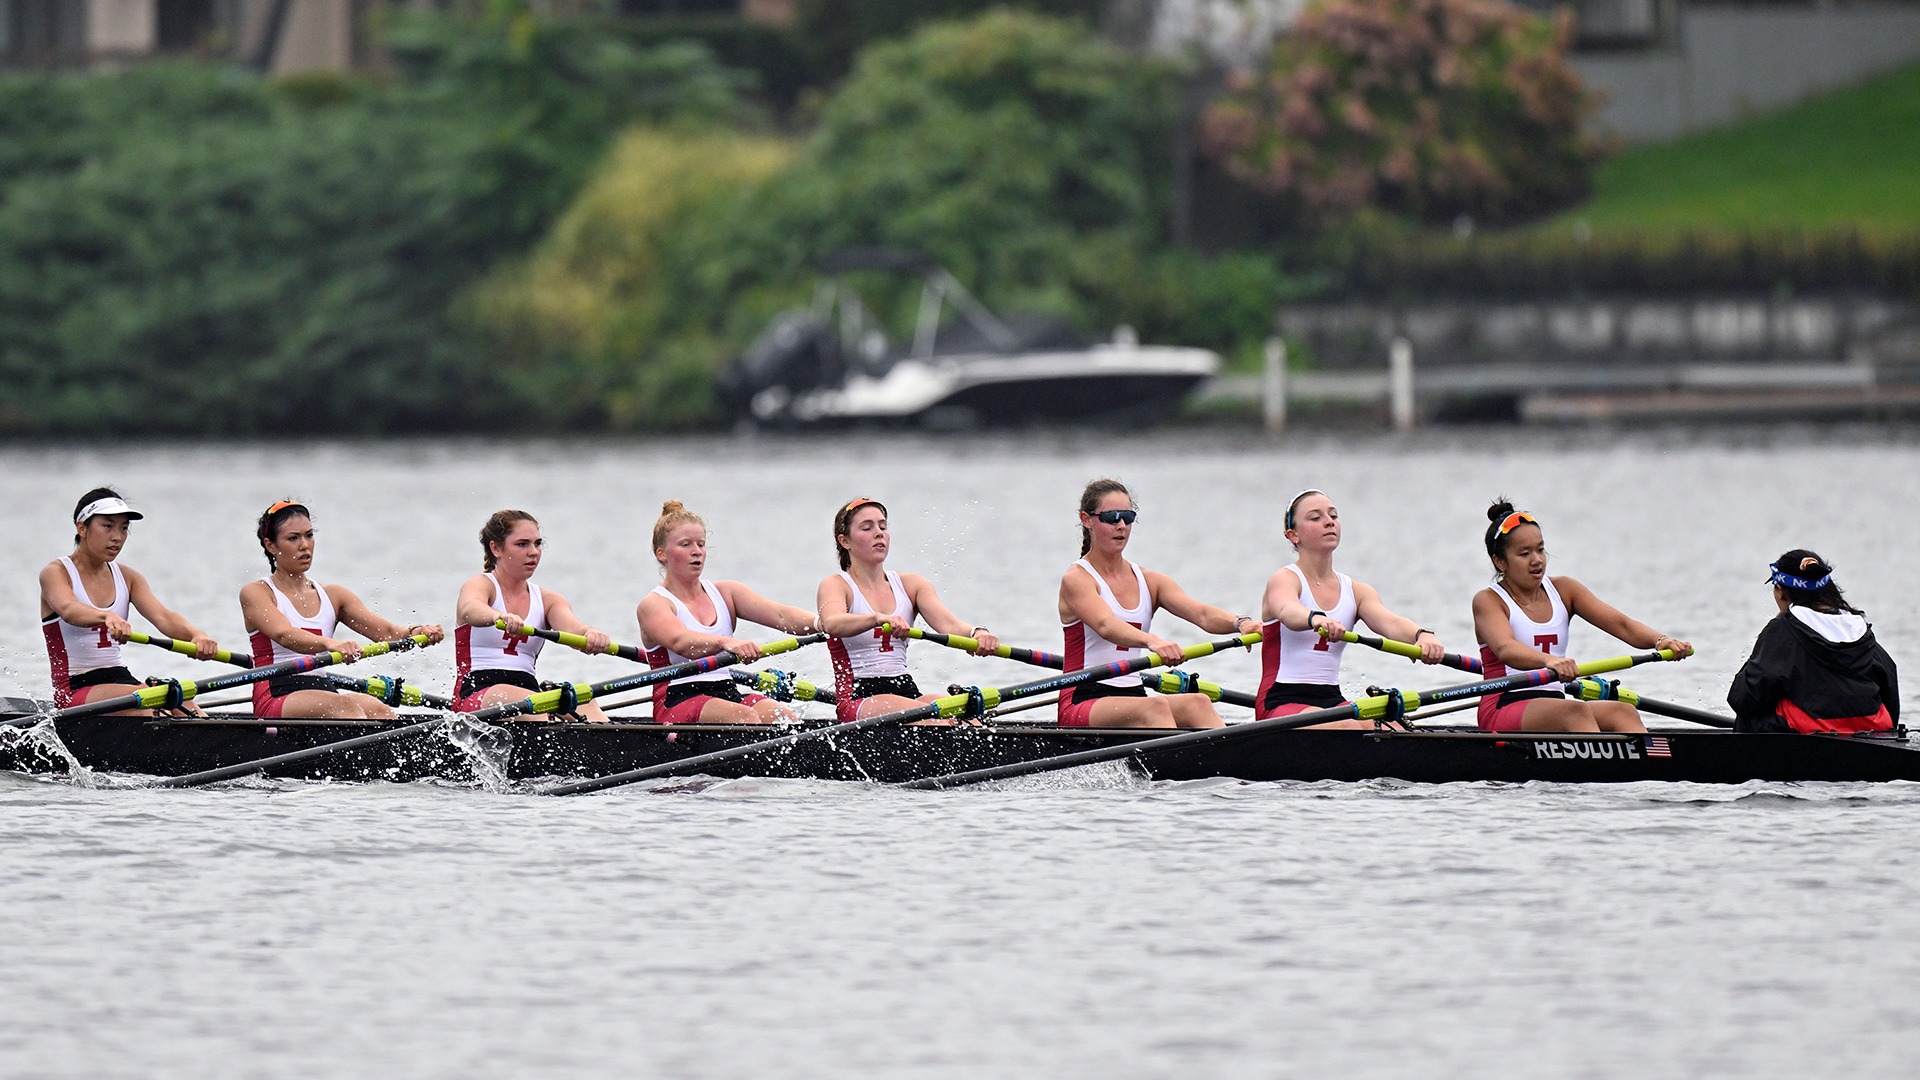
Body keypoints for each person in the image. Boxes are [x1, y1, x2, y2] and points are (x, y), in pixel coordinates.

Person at [1471, 499, 1692, 733]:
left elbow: (1623, 625)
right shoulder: (1489, 600)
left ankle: (1654, 769)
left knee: (1622, 711)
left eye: (1540, 549)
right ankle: (1598, 768)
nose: (1537, 560)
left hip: (1553, 705)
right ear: (1500, 562)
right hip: (1504, 704)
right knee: (1576, 711)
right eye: (1524, 554)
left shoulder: (1565, 590)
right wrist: (1549, 661)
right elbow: (1506, 648)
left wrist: (1661, 641)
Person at [1056, 479, 1257, 729]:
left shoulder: (1150, 581)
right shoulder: (1077, 579)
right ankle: (1180, 766)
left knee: (1199, 702)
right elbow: (1106, 625)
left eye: (1128, 517)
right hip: (1083, 699)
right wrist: (1153, 641)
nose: (1121, 526)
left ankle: (1230, 766)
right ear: (1087, 519)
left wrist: (1241, 623)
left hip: (1133, 697)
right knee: (1156, 706)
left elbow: (1203, 615)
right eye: (1111, 517)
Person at [1256, 489, 1449, 727]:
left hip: (1331, 700)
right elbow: (1287, 610)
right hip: (1279, 701)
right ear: (1293, 535)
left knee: (1393, 727)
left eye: (1333, 516)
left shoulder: (1356, 590)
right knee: (1347, 727)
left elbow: (1390, 622)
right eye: (1316, 518)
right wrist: (1316, 619)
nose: (1329, 522)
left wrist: (1422, 635)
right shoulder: (1284, 579)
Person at [239, 500, 444, 720]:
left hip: (322, 690)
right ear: (271, 546)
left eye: (309, 535)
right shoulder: (257, 592)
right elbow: (285, 635)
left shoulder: (334, 595)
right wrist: (331, 644)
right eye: (293, 538)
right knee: (347, 709)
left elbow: (387, 633)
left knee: (380, 711)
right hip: (276, 692)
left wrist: (416, 632)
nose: (304, 545)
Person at [816, 497, 1002, 723]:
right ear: (845, 541)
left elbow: (950, 626)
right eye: (867, 527)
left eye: (883, 526)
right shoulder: (836, 585)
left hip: (905, 688)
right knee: (936, 722)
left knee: (969, 721)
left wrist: (977, 633)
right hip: (858, 697)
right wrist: (876, 618)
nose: (879, 533)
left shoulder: (912, 584)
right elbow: (833, 623)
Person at [39, 487, 223, 713]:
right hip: (75, 688)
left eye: (124, 528)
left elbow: (163, 617)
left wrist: (197, 635)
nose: (117, 537)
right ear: (82, 527)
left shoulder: (128, 577)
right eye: (107, 526)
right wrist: (106, 616)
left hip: (120, 679)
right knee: (150, 707)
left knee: (183, 701)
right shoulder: (56, 572)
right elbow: (68, 609)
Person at [637, 501, 817, 725]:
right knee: (746, 717)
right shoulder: (654, 604)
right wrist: (725, 642)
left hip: (726, 691)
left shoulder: (727, 593)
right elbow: (682, 643)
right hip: (675, 701)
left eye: (701, 544)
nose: (697, 551)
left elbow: (781, 615)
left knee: (784, 718)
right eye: (685, 545)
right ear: (662, 554)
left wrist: (821, 623)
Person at [453, 510, 613, 722]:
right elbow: (470, 608)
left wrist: (591, 634)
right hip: (477, 694)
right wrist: (498, 617)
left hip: (530, 696)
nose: (534, 552)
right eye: (522, 544)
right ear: (496, 548)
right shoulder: (481, 585)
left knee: (583, 701)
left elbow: (574, 630)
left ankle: (610, 747)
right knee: (529, 705)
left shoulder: (548, 599)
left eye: (537, 544)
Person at [1727, 550, 1898, 733]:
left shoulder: (1783, 629)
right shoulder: (1858, 626)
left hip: (1814, 731)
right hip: (1875, 727)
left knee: (1749, 717)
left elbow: (1744, 698)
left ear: (1782, 592)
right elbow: (1890, 686)